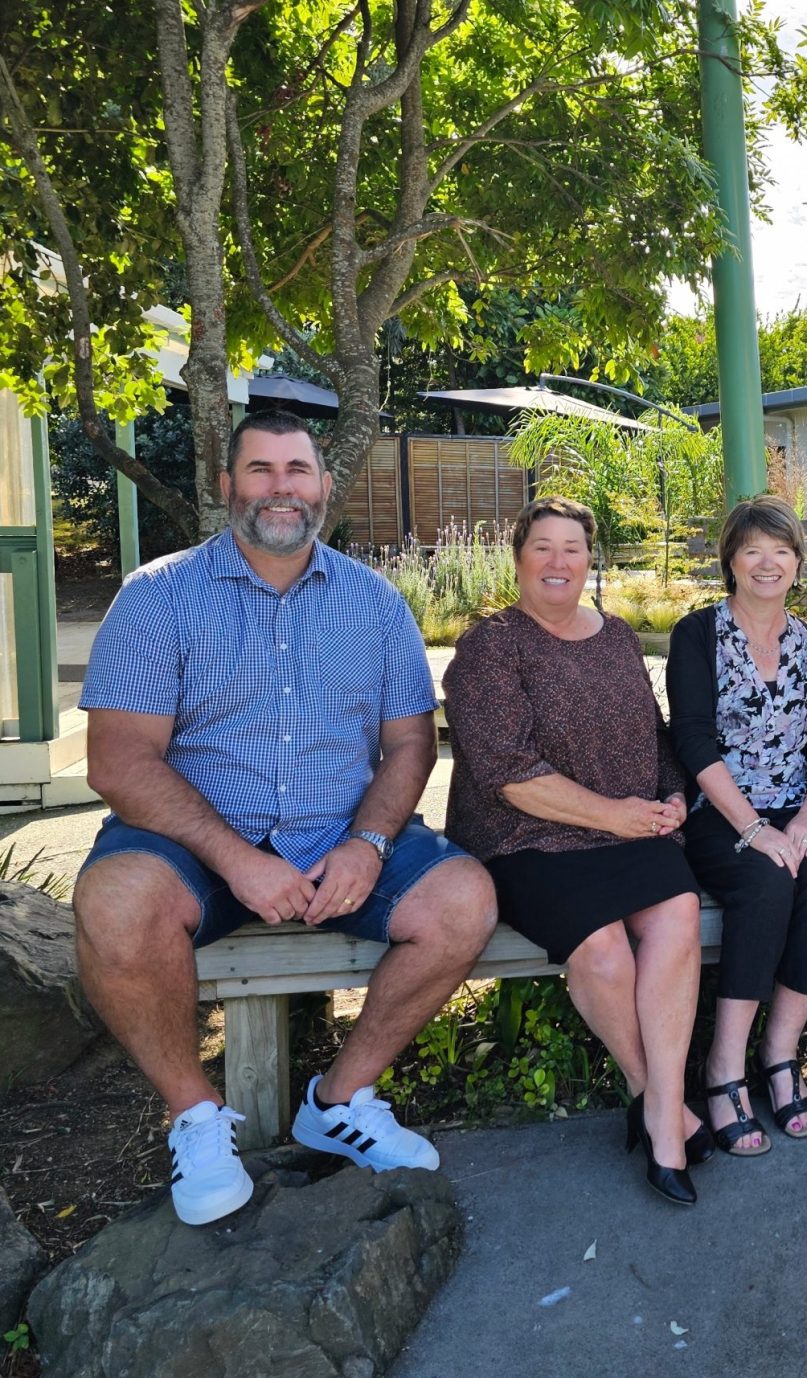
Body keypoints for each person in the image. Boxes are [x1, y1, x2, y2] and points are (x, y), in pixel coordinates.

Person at [73, 409, 498, 1228]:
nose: (281, 488)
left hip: (338, 833)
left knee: (464, 900)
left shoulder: (375, 603)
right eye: (260, 470)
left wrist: (368, 845)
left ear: (325, 487)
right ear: (226, 484)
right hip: (191, 843)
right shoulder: (157, 597)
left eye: (297, 470)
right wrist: (237, 860)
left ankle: (339, 1101)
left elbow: (410, 744)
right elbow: (119, 762)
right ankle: (196, 1117)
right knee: (115, 903)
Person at [442, 495, 706, 1206]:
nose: (558, 562)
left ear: (590, 560)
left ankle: (658, 1110)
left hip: (629, 827)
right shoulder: (489, 647)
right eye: (543, 547)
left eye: (572, 548)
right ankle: (663, 1108)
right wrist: (616, 816)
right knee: (605, 952)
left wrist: (672, 792)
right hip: (527, 837)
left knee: (678, 914)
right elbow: (506, 772)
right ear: (518, 558)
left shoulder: (616, 636)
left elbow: (653, 732)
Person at [666, 497, 807, 1156]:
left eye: (781, 550)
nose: (767, 563)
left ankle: (780, 1054)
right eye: (752, 550)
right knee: (767, 881)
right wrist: (753, 829)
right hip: (720, 812)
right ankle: (723, 1068)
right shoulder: (697, 635)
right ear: (731, 561)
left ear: (797, 562)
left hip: (797, 807)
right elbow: (691, 738)